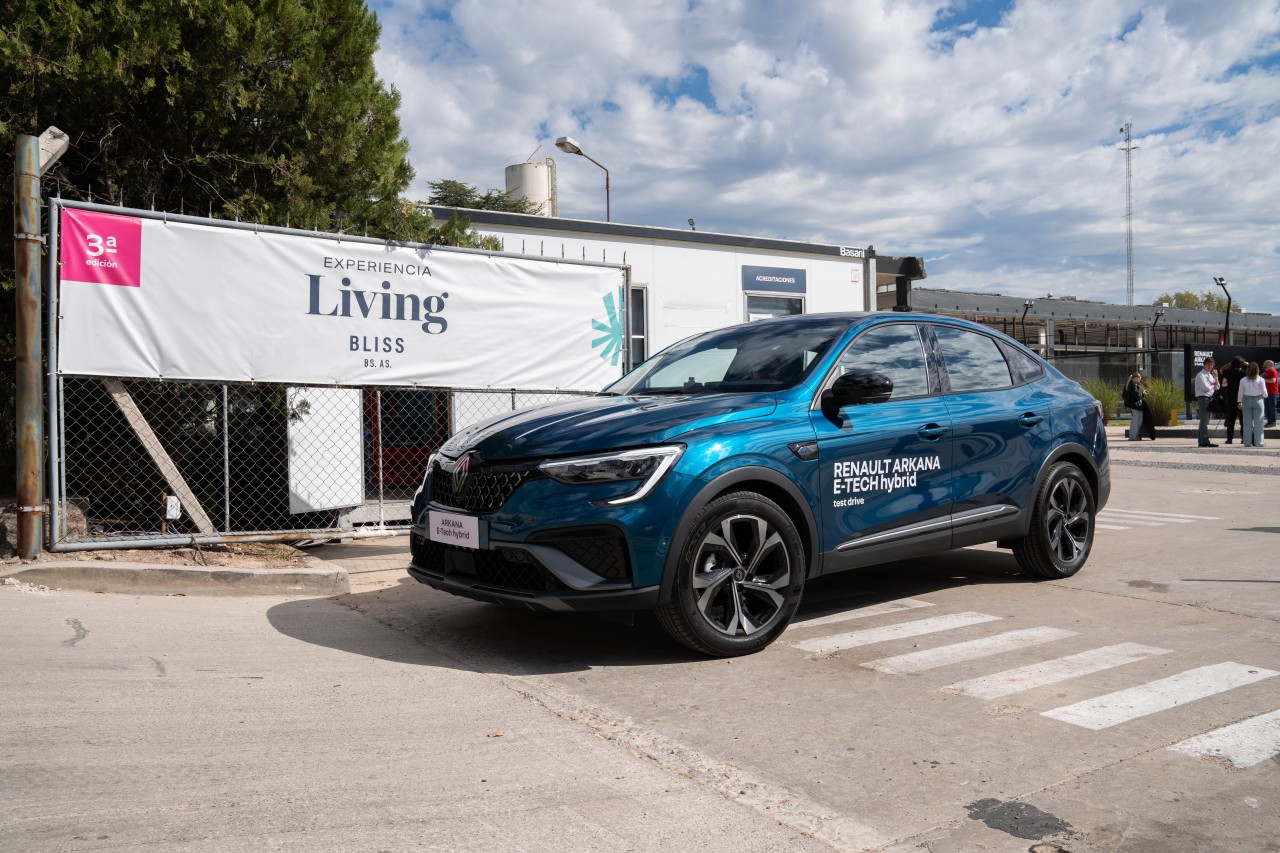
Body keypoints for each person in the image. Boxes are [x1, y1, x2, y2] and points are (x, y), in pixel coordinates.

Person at [1238, 362, 1267, 447]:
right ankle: (1259, 442)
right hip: (1258, 400)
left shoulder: (1243, 380)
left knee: (1247, 423)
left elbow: (1240, 393)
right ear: (1257, 370)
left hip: (1246, 400)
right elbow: (1265, 393)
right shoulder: (1261, 380)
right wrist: (1264, 396)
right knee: (1259, 422)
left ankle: (1247, 442)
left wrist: (1239, 402)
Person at [1219, 356, 1247, 443]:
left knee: (1231, 419)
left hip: (1231, 397)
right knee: (1243, 420)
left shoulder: (1227, 372)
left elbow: (1223, 384)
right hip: (1242, 398)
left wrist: (1229, 383)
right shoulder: (1244, 373)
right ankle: (1244, 438)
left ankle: (1229, 438)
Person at [1194, 357, 1219, 448]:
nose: (1210, 366)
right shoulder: (1201, 375)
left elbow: (1217, 387)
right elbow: (1206, 388)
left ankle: (1202, 441)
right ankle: (1204, 440)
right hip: (1203, 399)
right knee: (1204, 421)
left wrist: (1216, 377)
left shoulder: (1210, 375)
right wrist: (1213, 384)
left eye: (1212, 365)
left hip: (1210, 399)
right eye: (1208, 364)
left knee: (1205, 421)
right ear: (1204, 365)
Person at [1122, 372, 1156, 440]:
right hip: (1136, 406)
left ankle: (1133, 436)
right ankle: (1134, 437)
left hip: (1133, 406)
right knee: (1137, 422)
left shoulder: (1128, 384)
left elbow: (1124, 395)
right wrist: (1143, 393)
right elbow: (1137, 395)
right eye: (1139, 378)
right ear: (1136, 378)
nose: (1139, 380)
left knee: (1134, 421)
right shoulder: (1133, 385)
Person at [1263, 359, 1279, 427]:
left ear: (1270, 365)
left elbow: (1273, 380)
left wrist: (1263, 380)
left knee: (1272, 408)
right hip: (1266, 393)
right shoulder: (1266, 372)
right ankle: (1269, 421)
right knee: (1267, 408)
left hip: (1272, 393)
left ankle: (1273, 422)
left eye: (1266, 364)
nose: (1264, 365)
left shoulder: (1273, 371)